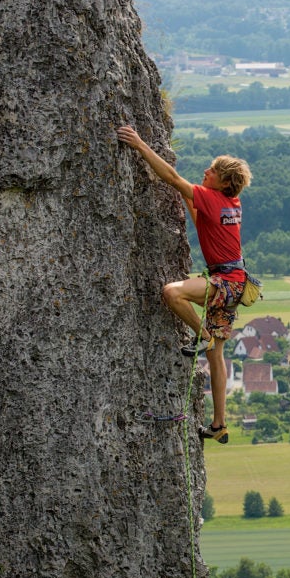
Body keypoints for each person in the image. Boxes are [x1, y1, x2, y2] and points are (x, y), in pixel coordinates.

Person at [117, 125, 252, 444]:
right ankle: (219, 424)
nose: (206, 171)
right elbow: (195, 212)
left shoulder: (213, 199)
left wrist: (139, 144)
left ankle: (201, 335)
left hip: (223, 282)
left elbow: (174, 180)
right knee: (217, 356)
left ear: (223, 182)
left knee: (172, 293)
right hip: (236, 283)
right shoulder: (231, 205)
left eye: (213, 170)